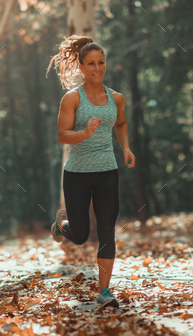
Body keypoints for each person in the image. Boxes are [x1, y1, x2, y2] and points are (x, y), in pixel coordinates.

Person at [45, 35, 136, 308]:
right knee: (82, 235)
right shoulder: (72, 99)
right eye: (91, 64)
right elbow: (62, 135)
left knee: (107, 230)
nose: (97, 68)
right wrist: (85, 132)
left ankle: (104, 291)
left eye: (101, 63)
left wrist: (126, 149)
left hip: (107, 171)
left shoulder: (116, 98)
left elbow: (120, 124)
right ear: (81, 67)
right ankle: (62, 225)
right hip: (77, 174)